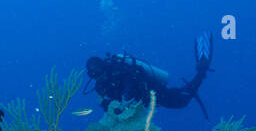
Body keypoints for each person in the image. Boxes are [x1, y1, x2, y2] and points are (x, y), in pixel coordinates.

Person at [85, 32, 213, 119]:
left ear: (104, 65)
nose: (98, 76)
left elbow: (131, 80)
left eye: (98, 70)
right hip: (144, 101)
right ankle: (189, 87)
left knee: (181, 102)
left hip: (151, 91)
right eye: (94, 74)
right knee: (178, 94)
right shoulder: (100, 86)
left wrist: (125, 98)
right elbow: (105, 103)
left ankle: (202, 70)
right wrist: (110, 107)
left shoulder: (118, 68)